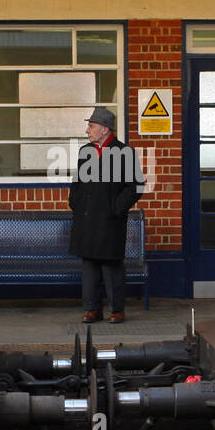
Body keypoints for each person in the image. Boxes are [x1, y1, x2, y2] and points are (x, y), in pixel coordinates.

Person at [68, 106, 142, 324]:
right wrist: (76, 202)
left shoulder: (125, 153)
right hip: (86, 219)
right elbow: (78, 182)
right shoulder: (85, 152)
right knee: (89, 265)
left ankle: (116, 309)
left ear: (104, 129)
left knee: (111, 266)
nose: (87, 130)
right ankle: (92, 309)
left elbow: (135, 187)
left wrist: (115, 208)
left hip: (110, 220)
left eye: (91, 126)